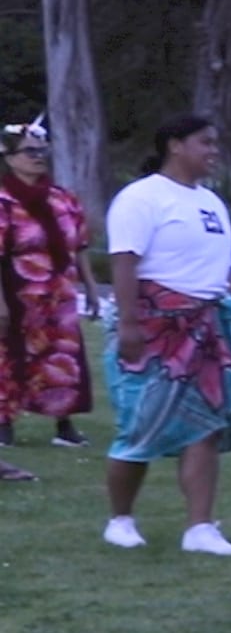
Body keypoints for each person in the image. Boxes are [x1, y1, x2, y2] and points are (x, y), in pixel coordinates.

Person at [101, 114, 231, 554]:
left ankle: (200, 528)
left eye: (215, 143)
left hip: (206, 328)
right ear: (175, 145)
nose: (214, 151)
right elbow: (124, 262)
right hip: (154, 328)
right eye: (205, 142)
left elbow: (220, 261)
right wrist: (129, 325)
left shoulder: (210, 201)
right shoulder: (142, 197)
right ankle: (120, 519)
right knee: (140, 425)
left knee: (205, 425)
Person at [0, 118, 98, 449]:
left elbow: (79, 245)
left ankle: (64, 423)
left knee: (63, 356)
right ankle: (4, 422)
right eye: (30, 152)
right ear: (9, 158)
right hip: (18, 295)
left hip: (60, 296)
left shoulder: (62, 199)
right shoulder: (3, 201)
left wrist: (90, 286)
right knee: (10, 356)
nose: (38, 157)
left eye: (42, 151)